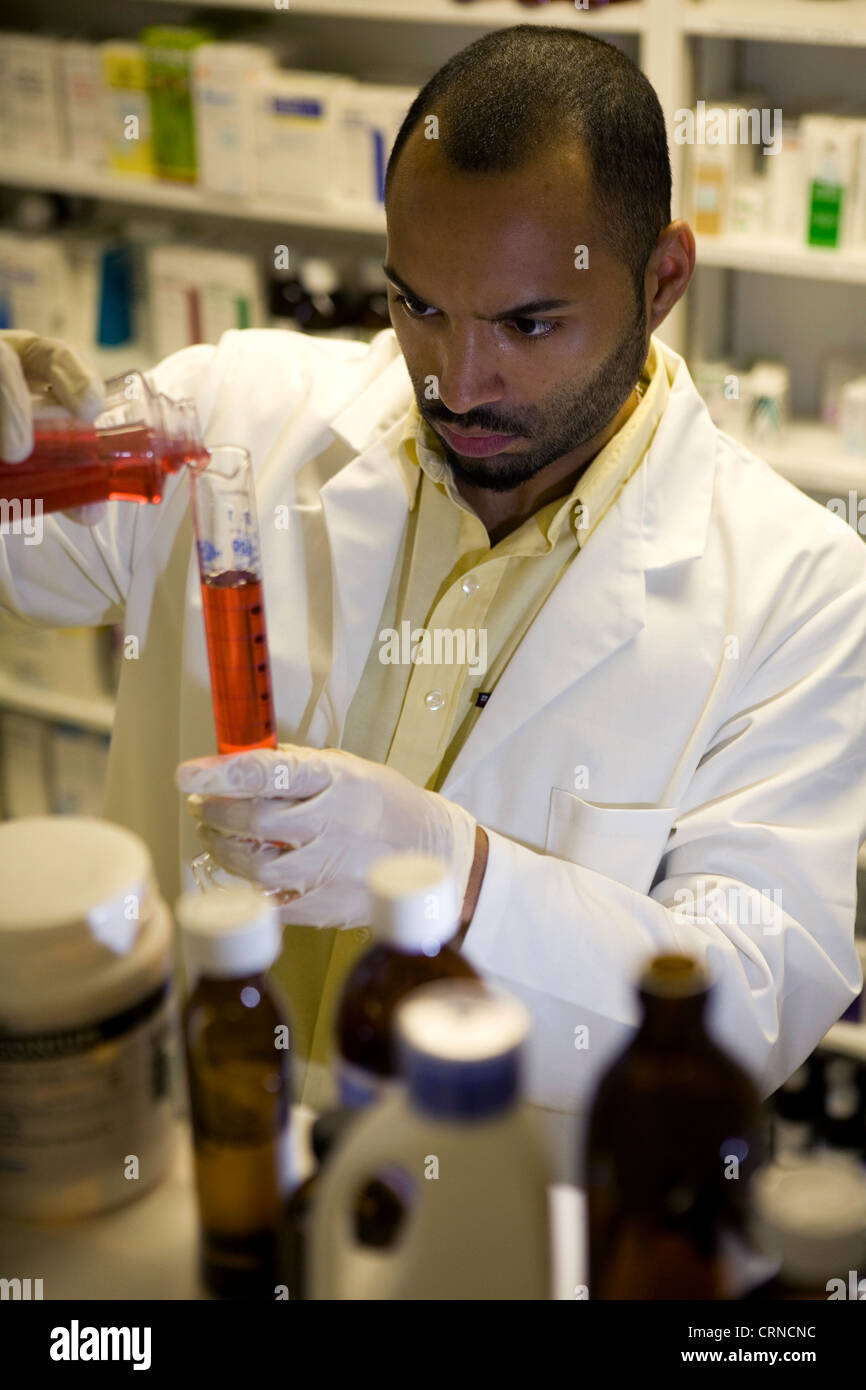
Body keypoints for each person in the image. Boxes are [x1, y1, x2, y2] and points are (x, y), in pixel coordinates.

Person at [1, 28, 865, 1174]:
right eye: (418, 307)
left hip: (489, 1238)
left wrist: (457, 874)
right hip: (179, 1172)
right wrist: (25, 441)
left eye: (527, 324)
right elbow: (32, 550)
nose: (455, 383)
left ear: (659, 280)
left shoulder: (798, 589)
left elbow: (739, 1009)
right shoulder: (242, 413)